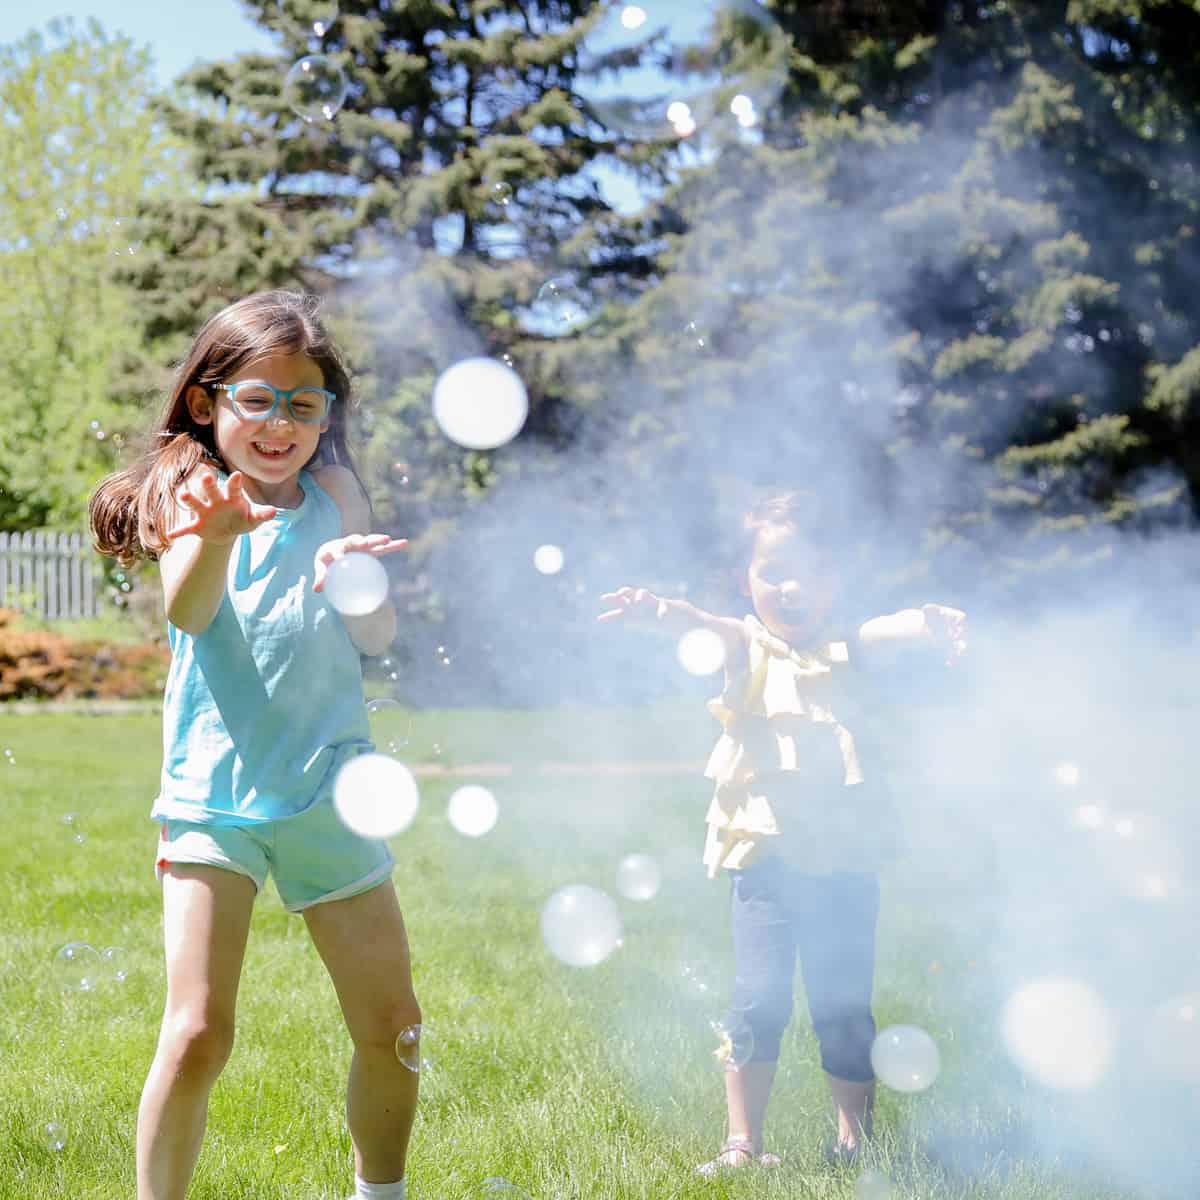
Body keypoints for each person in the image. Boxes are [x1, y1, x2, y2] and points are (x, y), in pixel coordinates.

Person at [89, 291, 418, 1200]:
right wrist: (219, 538)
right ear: (209, 403)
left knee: (394, 1025)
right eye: (258, 400)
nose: (281, 424)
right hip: (214, 794)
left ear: (327, 416)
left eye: (304, 405)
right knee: (198, 1030)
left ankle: (378, 1194)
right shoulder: (187, 491)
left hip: (328, 789)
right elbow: (189, 613)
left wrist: (352, 578)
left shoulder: (338, 494)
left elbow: (378, 637)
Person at [598, 492, 965, 1175]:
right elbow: (697, 622)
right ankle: (744, 1141)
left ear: (834, 579)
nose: (790, 587)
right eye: (773, 571)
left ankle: (853, 1138)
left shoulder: (849, 646)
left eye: (808, 571)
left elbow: (888, 628)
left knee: (843, 1004)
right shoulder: (744, 644)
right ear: (748, 580)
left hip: (846, 865)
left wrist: (927, 622)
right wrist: (657, 612)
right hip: (765, 862)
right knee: (758, 998)